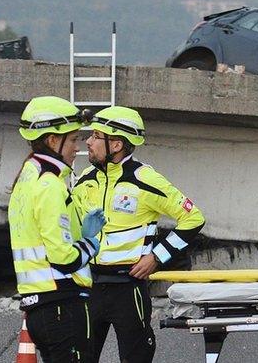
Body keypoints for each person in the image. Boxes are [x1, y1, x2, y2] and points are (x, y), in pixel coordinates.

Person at [73, 106, 206, 362]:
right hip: (89, 286)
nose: (87, 142)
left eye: (95, 136)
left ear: (116, 144)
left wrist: (157, 257)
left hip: (128, 288)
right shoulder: (86, 178)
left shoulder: (145, 179)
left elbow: (193, 218)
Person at [8, 96, 107, 363]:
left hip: (42, 305)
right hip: (63, 304)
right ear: (53, 140)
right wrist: (89, 242)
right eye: (73, 139)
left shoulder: (27, 177)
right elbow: (65, 259)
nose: (78, 147)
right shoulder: (49, 184)